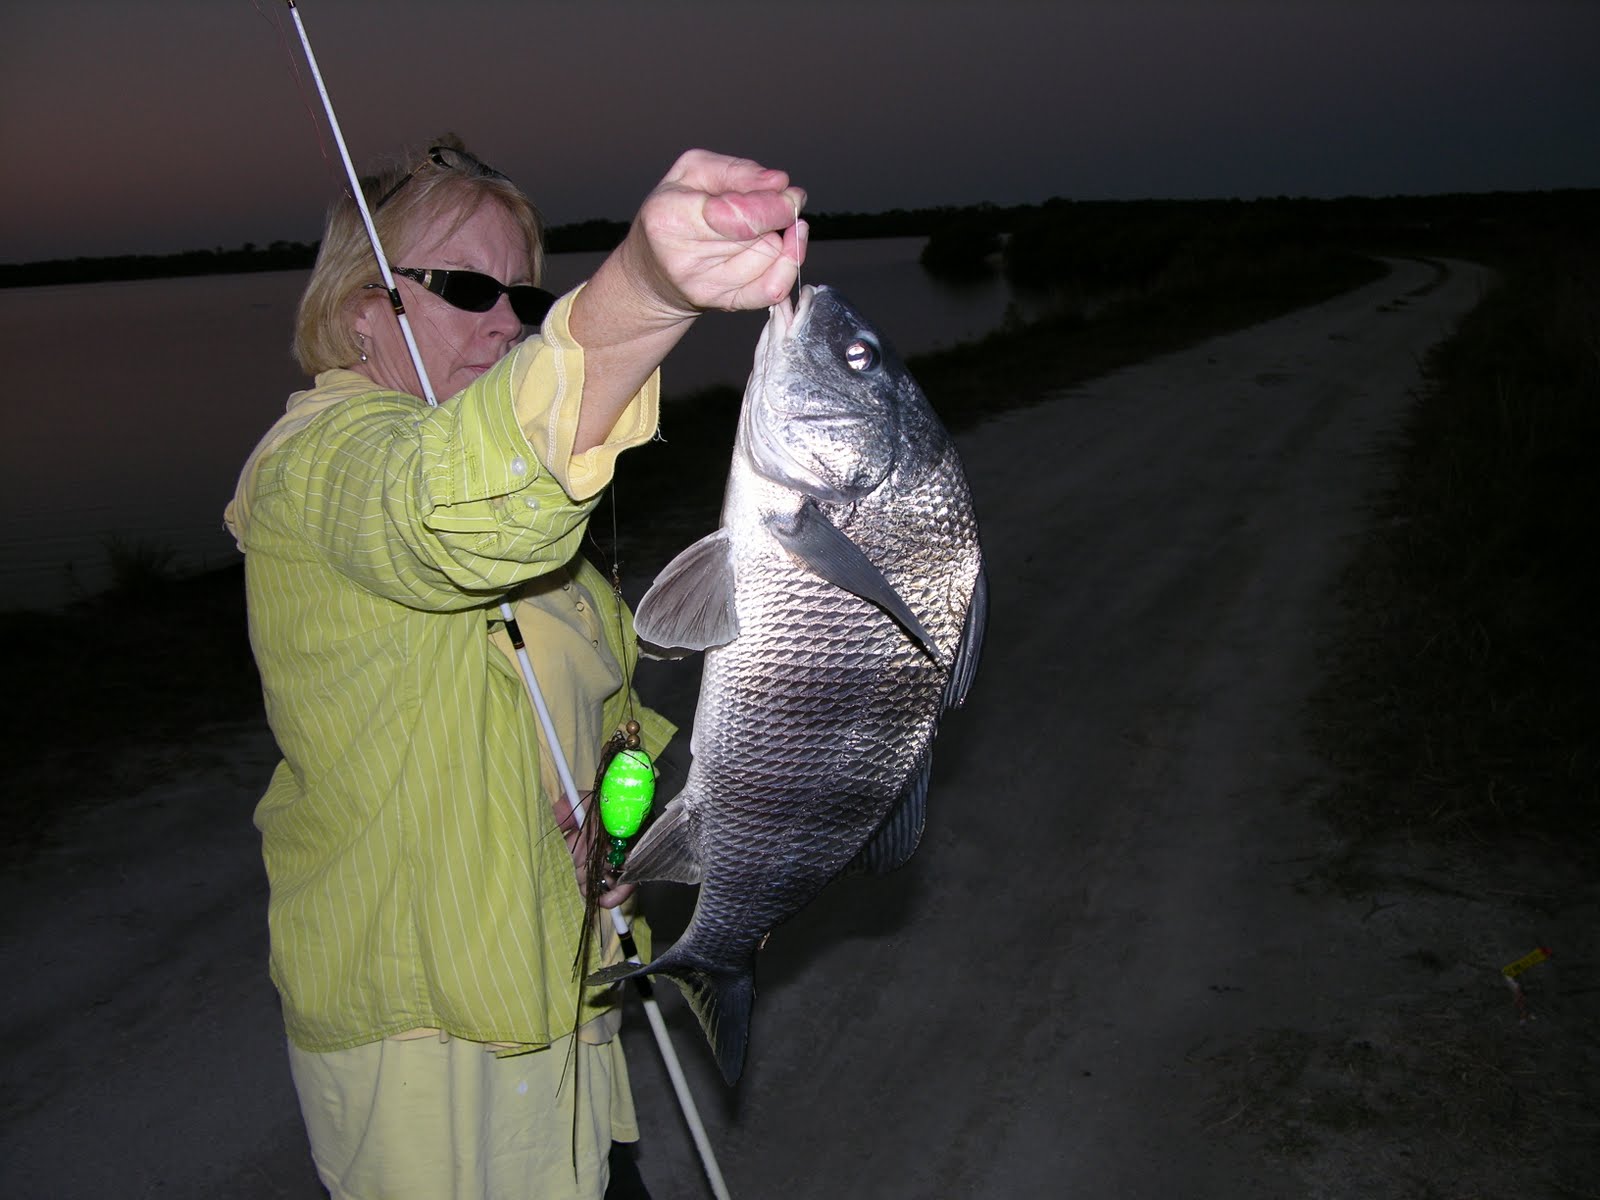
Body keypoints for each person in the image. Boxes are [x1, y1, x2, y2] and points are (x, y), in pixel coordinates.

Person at [224, 139, 807, 1199]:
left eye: (523, 292)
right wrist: (639, 291)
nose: (507, 318)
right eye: (466, 288)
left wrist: (620, 828)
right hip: (426, 1034)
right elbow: (455, 510)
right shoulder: (319, 465)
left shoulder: (542, 526)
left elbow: (616, 721)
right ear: (361, 310)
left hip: (562, 992)